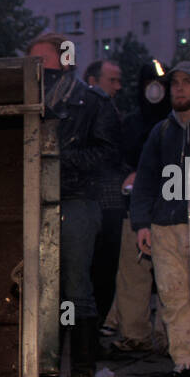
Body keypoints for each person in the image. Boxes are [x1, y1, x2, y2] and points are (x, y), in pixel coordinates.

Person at [28, 33, 119, 377]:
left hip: (77, 200)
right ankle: (45, 367)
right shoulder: (27, 100)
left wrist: (59, 160)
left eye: (43, 63)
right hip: (35, 200)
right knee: (38, 286)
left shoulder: (92, 102)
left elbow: (108, 154)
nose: (37, 72)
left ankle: (81, 369)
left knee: (74, 285)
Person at [129, 60, 190, 377]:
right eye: (174, 83)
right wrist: (142, 223)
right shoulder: (163, 131)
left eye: (186, 82)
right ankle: (186, 362)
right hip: (165, 225)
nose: (179, 88)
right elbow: (146, 179)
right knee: (172, 295)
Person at [105, 60, 169, 352]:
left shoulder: (178, 124)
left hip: (171, 210)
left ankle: (171, 338)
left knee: (172, 277)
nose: (155, 90)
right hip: (136, 208)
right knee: (133, 273)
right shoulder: (131, 122)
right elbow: (117, 159)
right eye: (149, 83)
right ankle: (135, 334)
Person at [82, 60, 128, 327]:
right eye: (112, 80)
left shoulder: (112, 111)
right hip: (89, 200)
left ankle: (93, 334)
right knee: (87, 272)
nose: (118, 86)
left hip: (110, 202)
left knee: (105, 272)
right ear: (92, 80)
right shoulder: (81, 113)